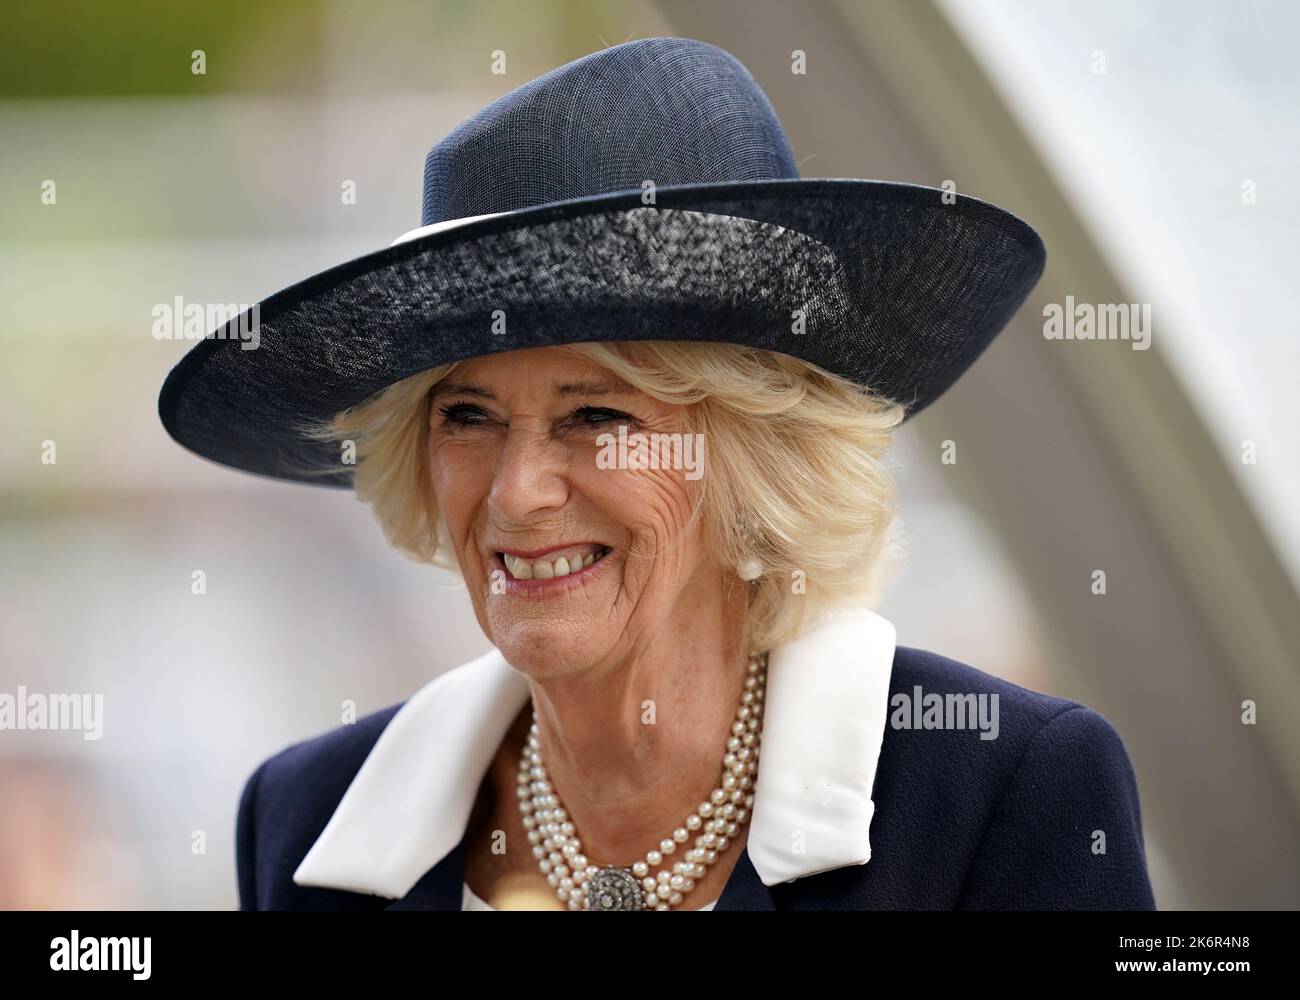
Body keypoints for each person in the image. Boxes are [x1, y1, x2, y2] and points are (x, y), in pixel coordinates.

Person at [158, 37, 1156, 911]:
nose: (516, 493)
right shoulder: (307, 823)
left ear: (755, 450)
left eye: (595, 415)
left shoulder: (1001, 791)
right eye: (467, 415)